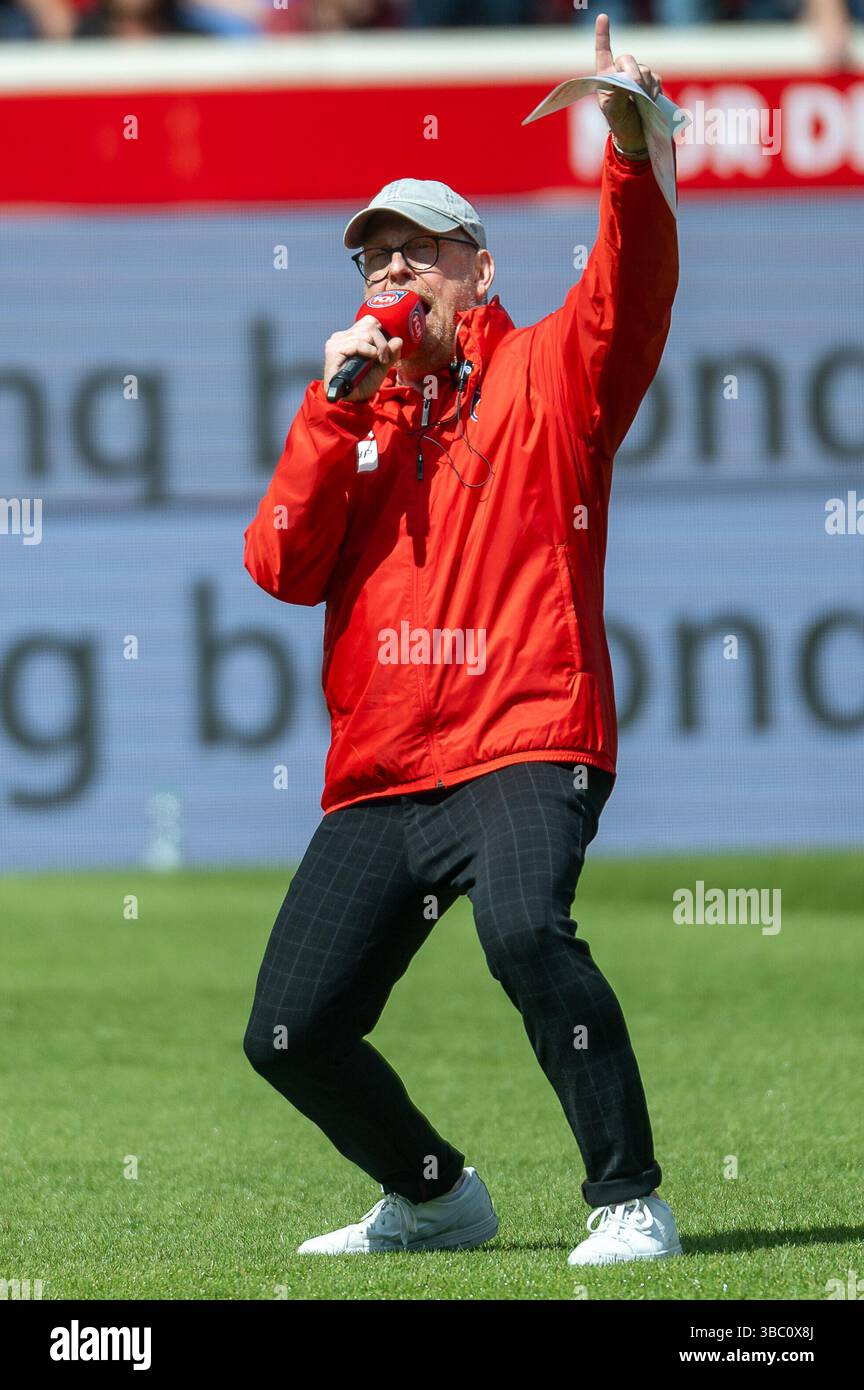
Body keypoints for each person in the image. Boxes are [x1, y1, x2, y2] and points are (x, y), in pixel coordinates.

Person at [242, 13, 684, 1267]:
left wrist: (628, 150)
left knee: (526, 931)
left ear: (477, 271)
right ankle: (438, 1193)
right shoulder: (349, 417)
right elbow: (279, 566)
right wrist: (331, 421)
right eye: (373, 263)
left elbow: (632, 279)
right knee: (288, 1032)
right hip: (385, 771)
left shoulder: (553, 373)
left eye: (417, 255)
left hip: (526, 735)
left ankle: (630, 1195)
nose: (392, 281)